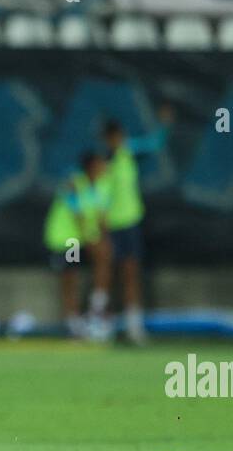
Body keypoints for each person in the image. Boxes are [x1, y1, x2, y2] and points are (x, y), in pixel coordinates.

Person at [100, 107, 172, 343]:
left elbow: (155, 143)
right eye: (113, 137)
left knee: (131, 274)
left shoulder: (128, 153)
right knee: (107, 275)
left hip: (130, 224)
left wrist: (164, 125)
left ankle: (133, 326)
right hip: (110, 226)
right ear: (107, 140)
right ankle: (103, 325)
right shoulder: (103, 165)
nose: (117, 141)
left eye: (119, 136)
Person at [43, 152, 111, 339]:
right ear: (89, 167)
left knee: (98, 261)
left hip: (80, 239)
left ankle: (95, 309)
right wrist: (92, 238)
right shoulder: (73, 183)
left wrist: (100, 238)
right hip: (66, 240)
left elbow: (100, 217)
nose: (103, 169)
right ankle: (72, 324)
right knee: (69, 278)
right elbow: (78, 215)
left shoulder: (102, 186)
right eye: (98, 165)